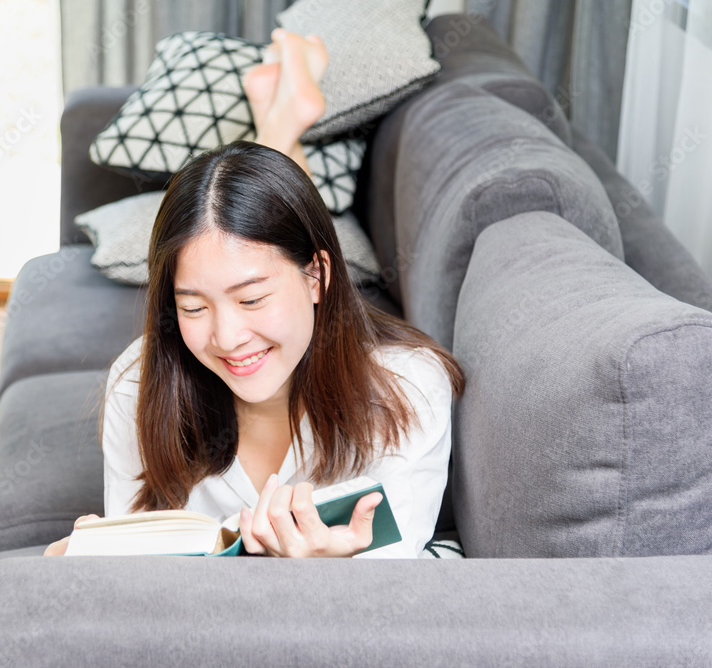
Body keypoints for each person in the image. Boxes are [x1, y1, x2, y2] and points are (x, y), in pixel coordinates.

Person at [44, 28, 465, 559]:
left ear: (317, 276)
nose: (227, 337)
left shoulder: (406, 389)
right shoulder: (141, 381)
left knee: (265, 226)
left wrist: (321, 576)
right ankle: (282, 117)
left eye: (251, 299)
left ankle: (284, 116)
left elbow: (392, 592)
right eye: (192, 306)